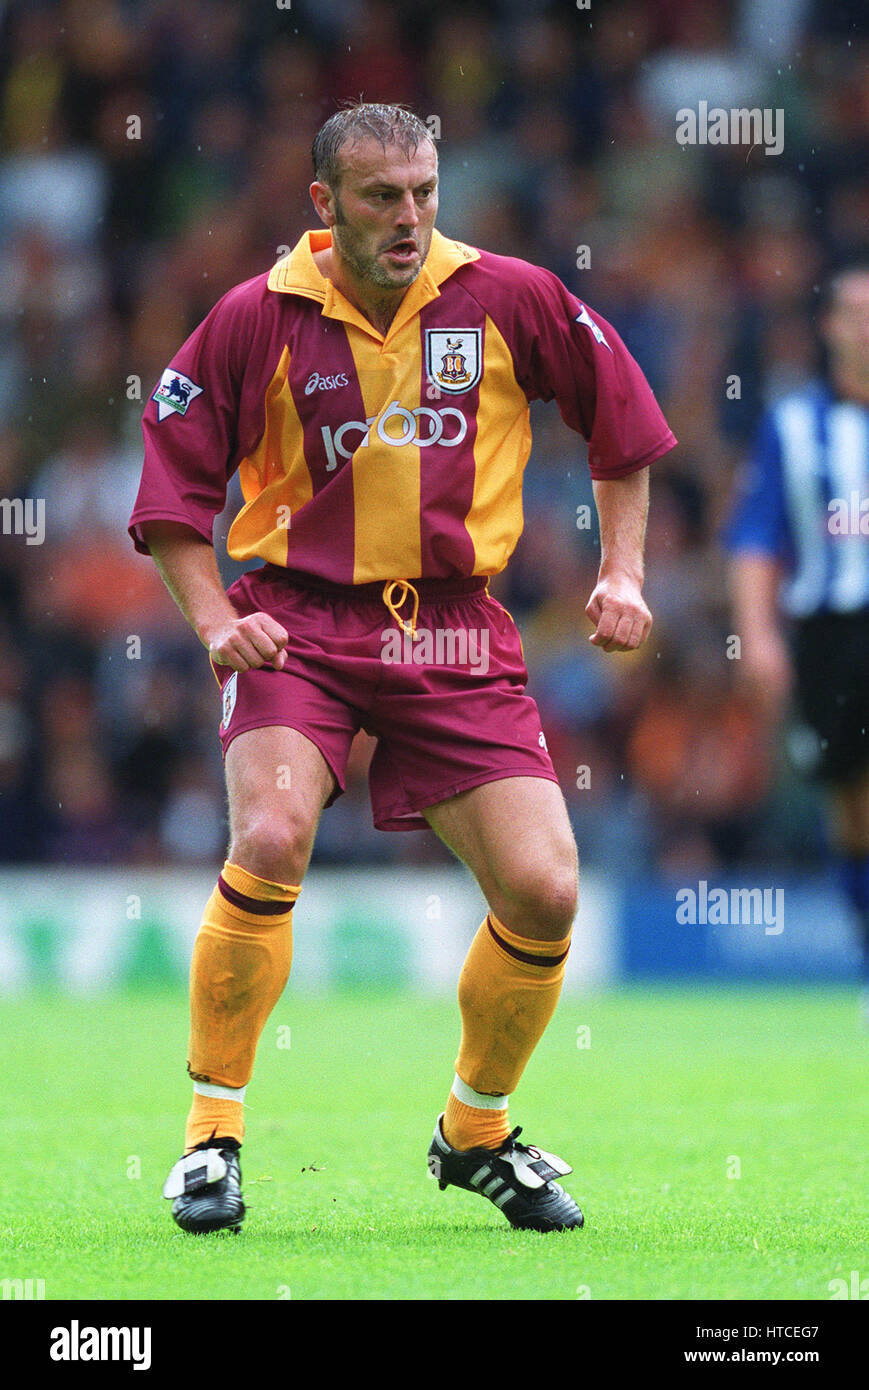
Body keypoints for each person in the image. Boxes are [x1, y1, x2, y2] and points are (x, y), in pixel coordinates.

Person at [129, 103, 676, 1235]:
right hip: (298, 621)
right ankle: (210, 1139)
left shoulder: (510, 297)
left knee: (544, 889)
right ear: (323, 203)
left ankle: (475, 1132)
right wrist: (215, 622)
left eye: (424, 192)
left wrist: (622, 571)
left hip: (453, 630)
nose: (409, 217)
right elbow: (173, 492)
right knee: (269, 835)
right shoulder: (255, 316)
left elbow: (622, 424)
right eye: (382, 197)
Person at [726, 264, 869, 1010]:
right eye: (856, 311)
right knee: (849, 804)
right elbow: (755, 537)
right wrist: (757, 635)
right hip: (829, 633)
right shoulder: (793, 425)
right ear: (831, 327)